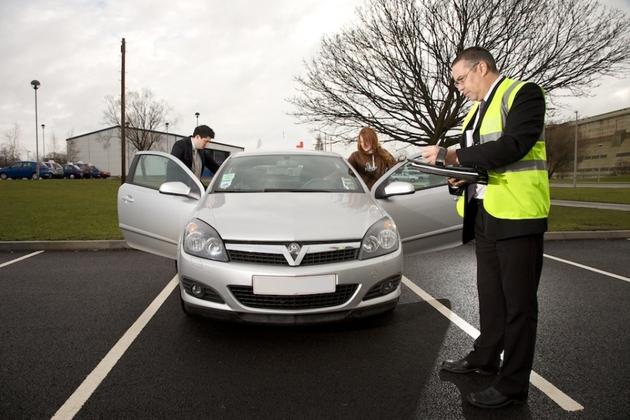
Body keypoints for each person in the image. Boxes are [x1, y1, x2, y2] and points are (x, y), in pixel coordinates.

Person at [421, 47, 549, 409]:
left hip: (518, 214)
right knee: (491, 297)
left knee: (519, 305)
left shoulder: (524, 93)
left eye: (461, 79)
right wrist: (455, 179)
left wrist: (451, 155)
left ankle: (512, 386)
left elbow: (514, 145)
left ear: (481, 67)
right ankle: (484, 358)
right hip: (485, 214)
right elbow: (472, 164)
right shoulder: (473, 113)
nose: (458, 87)